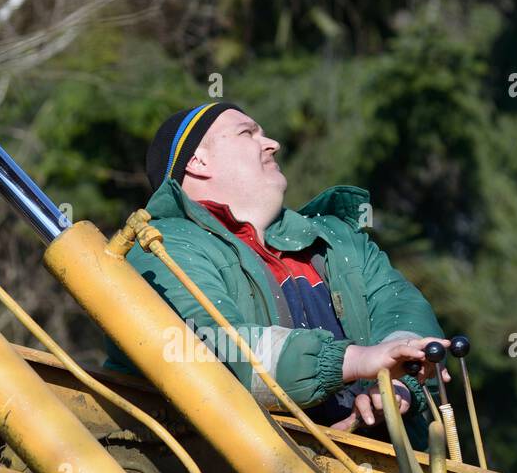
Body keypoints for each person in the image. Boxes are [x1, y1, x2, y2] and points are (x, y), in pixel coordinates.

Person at [117, 100, 450, 442]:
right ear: (198, 161)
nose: (272, 143)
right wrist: (355, 361)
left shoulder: (339, 239)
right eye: (248, 133)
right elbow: (208, 349)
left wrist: (397, 380)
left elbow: (401, 307)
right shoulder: (159, 247)